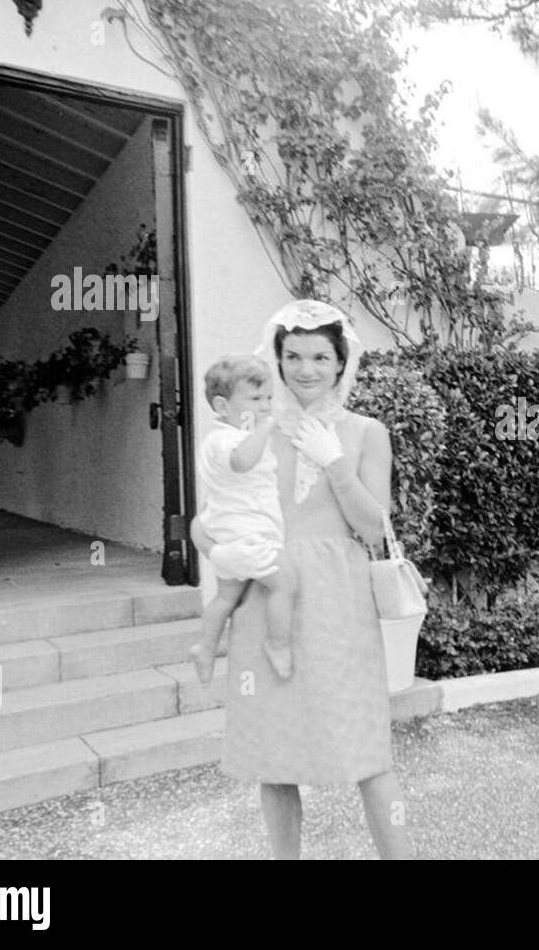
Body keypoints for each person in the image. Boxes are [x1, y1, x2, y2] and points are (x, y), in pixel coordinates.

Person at [189, 298, 410, 860]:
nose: (305, 369)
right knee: (274, 753)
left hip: (341, 598)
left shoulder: (367, 432)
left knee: (366, 748)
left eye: (319, 356)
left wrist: (334, 460)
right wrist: (210, 543)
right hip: (269, 596)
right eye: (293, 356)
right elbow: (211, 516)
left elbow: (373, 526)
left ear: (341, 363)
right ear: (278, 359)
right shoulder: (255, 431)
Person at [188, 354, 296, 683]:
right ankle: (278, 644)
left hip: (229, 537)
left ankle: (205, 647)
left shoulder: (228, 437)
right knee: (286, 585)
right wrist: (264, 430)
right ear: (222, 407)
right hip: (249, 538)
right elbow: (242, 462)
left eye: (268, 399)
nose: (265, 407)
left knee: (225, 598)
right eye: (255, 399)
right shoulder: (225, 439)